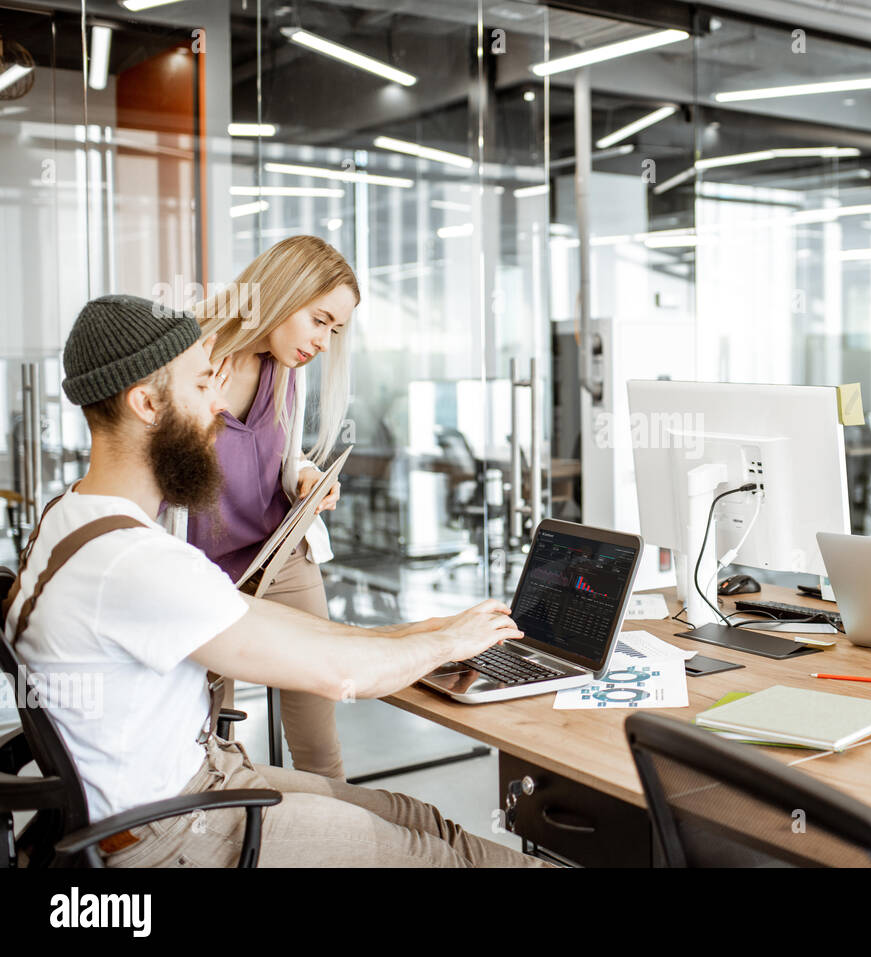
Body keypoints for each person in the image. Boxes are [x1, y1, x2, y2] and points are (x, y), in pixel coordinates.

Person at [4, 294, 543, 867]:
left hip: (197, 780)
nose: (218, 407)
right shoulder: (134, 562)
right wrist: (450, 645)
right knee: (445, 856)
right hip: (172, 829)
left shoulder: (70, 516)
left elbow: (271, 626)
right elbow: (340, 676)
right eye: (201, 385)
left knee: (420, 818)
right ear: (146, 404)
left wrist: (430, 628)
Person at [185, 235, 356, 780]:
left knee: (319, 732)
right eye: (320, 320)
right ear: (284, 293)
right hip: (201, 573)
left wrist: (304, 472)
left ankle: (336, 848)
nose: (325, 341)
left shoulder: (286, 367)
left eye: (336, 330)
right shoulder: (189, 356)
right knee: (206, 739)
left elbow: (276, 449)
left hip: (281, 557)